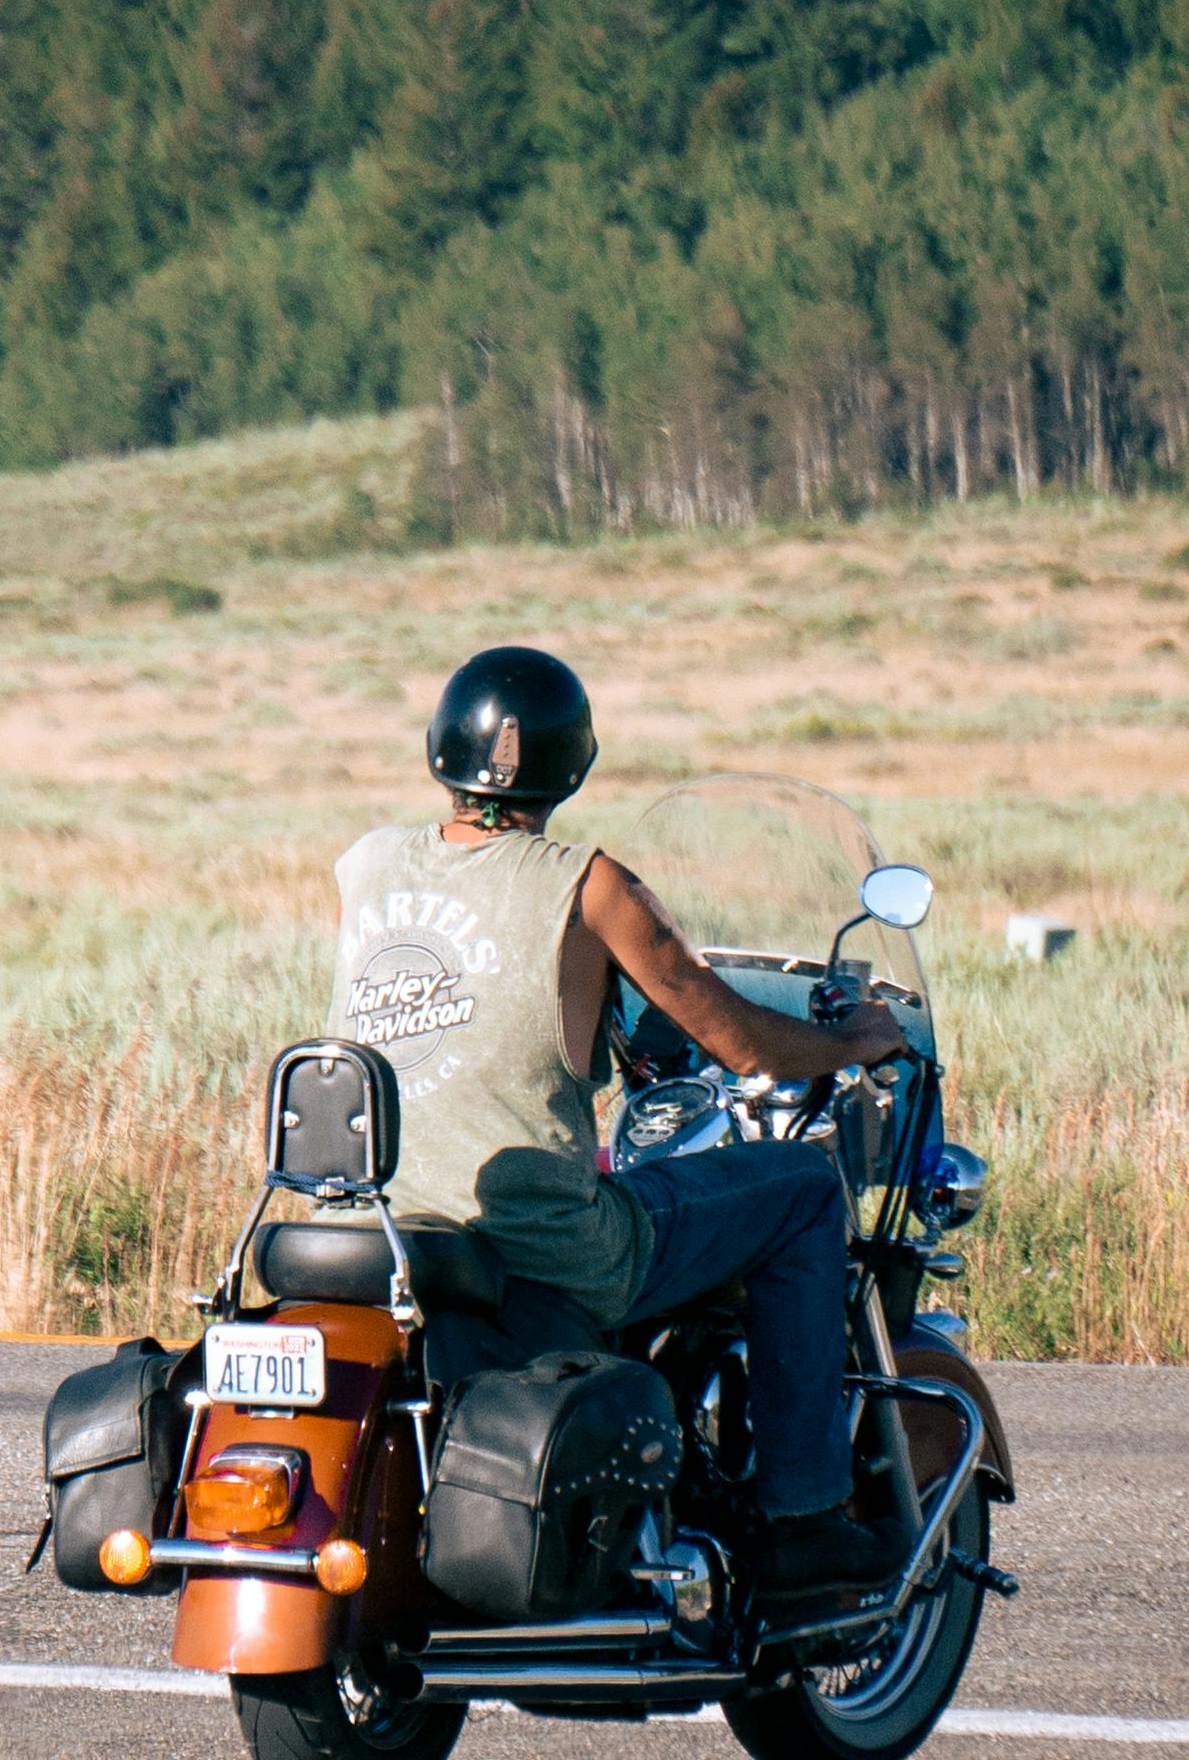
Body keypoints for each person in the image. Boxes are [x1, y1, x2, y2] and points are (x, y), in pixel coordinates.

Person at [331, 644, 909, 1611]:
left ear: (440, 750)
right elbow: (739, 1041)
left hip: (382, 1228)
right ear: (574, 764)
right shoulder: (589, 886)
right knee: (803, 1192)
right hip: (542, 1244)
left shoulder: (365, 864)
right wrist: (853, 1041)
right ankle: (806, 1523)